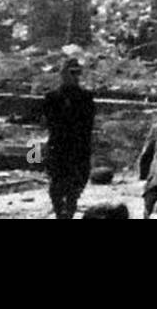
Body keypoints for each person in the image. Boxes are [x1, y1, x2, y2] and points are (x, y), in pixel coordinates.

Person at [43, 57, 95, 220]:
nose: (74, 77)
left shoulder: (86, 97)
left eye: (77, 73)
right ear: (62, 74)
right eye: (71, 73)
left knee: (76, 184)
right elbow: (48, 122)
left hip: (78, 146)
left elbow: (88, 124)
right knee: (56, 183)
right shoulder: (52, 97)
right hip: (59, 145)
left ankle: (70, 210)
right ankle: (59, 211)